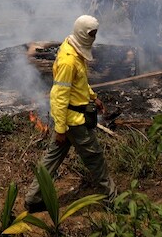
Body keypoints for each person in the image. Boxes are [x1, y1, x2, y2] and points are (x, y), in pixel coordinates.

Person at [23, 14, 117, 212]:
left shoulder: (72, 48)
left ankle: (33, 199)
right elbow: (58, 96)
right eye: (92, 33)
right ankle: (112, 199)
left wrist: (93, 97)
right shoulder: (68, 61)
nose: (94, 36)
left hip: (69, 121)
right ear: (83, 32)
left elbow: (79, 84)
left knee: (52, 158)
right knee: (95, 158)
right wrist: (60, 129)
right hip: (73, 122)